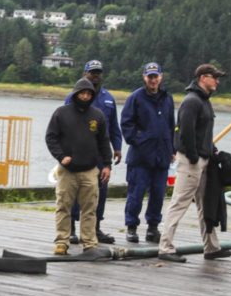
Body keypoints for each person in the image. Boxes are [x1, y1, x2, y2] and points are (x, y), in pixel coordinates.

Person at [159, 63, 231, 262]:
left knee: (205, 205)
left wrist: (211, 149)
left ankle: (211, 247)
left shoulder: (203, 100)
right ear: (203, 78)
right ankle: (165, 248)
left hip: (203, 159)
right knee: (179, 203)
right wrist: (193, 156)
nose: (217, 81)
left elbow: (201, 132)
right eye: (214, 77)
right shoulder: (192, 101)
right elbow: (185, 132)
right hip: (192, 161)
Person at [46, 78, 112, 255]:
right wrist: (61, 156)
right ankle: (62, 241)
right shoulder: (61, 113)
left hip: (90, 170)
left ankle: (89, 243)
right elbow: (51, 137)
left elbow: (104, 142)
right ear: (75, 94)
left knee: (90, 209)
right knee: (63, 206)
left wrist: (107, 164)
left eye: (88, 93)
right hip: (67, 170)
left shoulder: (98, 115)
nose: (85, 96)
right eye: (82, 93)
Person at [64, 60, 121, 244]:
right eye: (92, 72)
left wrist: (117, 147)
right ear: (84, 73)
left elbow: (114, 126)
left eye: (98, 72)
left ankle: (95, 229)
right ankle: (71, 228)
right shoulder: (73, 97)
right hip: (77, 152)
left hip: (99, 153)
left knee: (100, 191)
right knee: (74, 190)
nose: (95, 75)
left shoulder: (108, 98)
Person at [120, 62, 175, 243]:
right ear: (144, 77)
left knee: (158, 194)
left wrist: (172, 149)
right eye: (149, 76)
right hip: (140, 157)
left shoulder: (167, 98)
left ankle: (152, 228)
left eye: (155, 76)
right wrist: (140, 141)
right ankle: (131, 227)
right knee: (136, 194)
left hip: (162, 156)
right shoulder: (135, 98)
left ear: (161, 77)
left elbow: (171, 125)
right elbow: (127, 125)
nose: (153, 79)